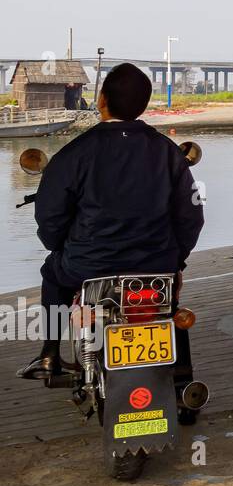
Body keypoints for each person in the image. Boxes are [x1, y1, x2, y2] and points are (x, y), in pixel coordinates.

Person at [21, 63, 205, 404]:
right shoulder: (166, 152)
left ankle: (49, 354)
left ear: (102, 100)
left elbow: (50, 215)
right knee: (169, 299)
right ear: (143, 105)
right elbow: (191, 215)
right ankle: (182, 379)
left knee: (53, 272)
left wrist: (59, 246)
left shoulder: (75, 153)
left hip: (88, 264)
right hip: (155, 263)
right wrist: (176, 258)